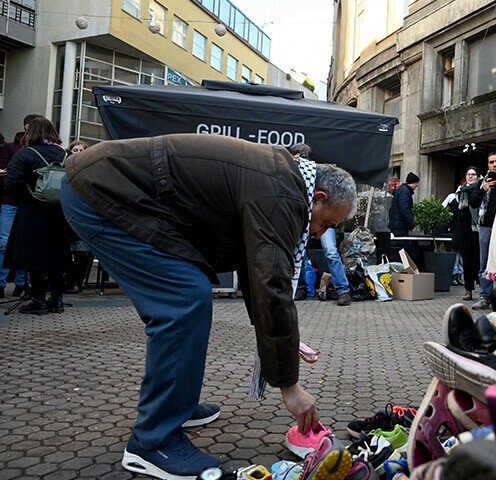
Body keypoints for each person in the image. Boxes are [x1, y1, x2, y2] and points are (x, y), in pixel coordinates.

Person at [61, 133, 356, 479]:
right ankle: (152, 441)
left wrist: (281, 339)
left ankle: (177, 406)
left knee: (188, 296)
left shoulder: (284, 178)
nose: (321, 234)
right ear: (318, 198)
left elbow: (256, 274)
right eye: (328, 223)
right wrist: (290, 387)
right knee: (185, 298)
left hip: (111, 186)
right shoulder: (281, 194)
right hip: (102, 192)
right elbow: (271, 284)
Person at [4, 117, 70, 314]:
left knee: (34, 254)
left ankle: (38, 299)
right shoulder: (66, 154)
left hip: (33, 211)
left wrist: (26, 197)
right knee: (58, 254)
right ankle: (57, 299)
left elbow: (12, 183)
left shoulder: (25, 154)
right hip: (60, 212)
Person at [288, 143, 351, 306]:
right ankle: (301, 288)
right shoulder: (290, 171)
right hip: (302, 216)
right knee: (299, 252)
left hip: (319, 216)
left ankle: (342, 289)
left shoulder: (315, 173)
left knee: (329, 251)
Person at [0, 115, 41, 298]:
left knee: (25, 244)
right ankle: (1, 284)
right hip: (11, 202)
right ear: (27, 127)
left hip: (28, 203)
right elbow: (4, 173)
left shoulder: (39, 150)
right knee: (4, 243)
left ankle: (21, 284)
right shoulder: (10, 148)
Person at [469, 152, 496, 310]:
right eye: (491, 162)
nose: (495, 164)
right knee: (484, 263)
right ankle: (485, 297)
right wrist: (484, 188)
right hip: (486, 226)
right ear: (488, 165)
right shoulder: (483, 181)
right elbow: (473, 203)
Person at [64, 141, 92, 294]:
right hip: (68, 216)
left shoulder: (91, 170)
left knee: (82, 252)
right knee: (67, 252)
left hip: (83, 216)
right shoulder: (65, 169)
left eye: (82, 150)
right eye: (75, 150)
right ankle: (67, 280)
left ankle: (77, 282)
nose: (78, 153)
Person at [454, 166, 482, 301]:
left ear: (478, 176)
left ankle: (484, 290)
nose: (470, 177)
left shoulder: (482, 189)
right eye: (468, 174)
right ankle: (468, 289)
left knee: (480, 259)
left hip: (478, 228)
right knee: (466, 260)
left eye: (473, 174)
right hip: (465, 229)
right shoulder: (461, 191)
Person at [389, 172, 420, 266]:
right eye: (416, 183)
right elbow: (405, 209)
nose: (417, 186)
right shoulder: (405, 192)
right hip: (400, 226)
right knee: (403, 251)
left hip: (397, 224)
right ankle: (402, 269)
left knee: (400, 250)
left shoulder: (401, 190)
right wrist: (412, 223)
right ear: (413, 183)